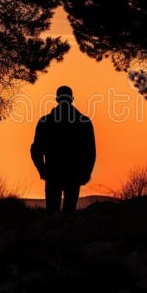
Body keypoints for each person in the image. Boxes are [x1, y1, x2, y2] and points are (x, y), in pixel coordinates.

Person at [30, 85, 96, 213]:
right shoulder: (84, 121)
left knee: (52, 215)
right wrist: (86, 173)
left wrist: (42, 170)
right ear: (72, 99)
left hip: (53, 172)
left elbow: (35, 151)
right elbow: (91, 152)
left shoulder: (45, 121)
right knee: (68, 216)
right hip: (74, 173)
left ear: (56, 99)